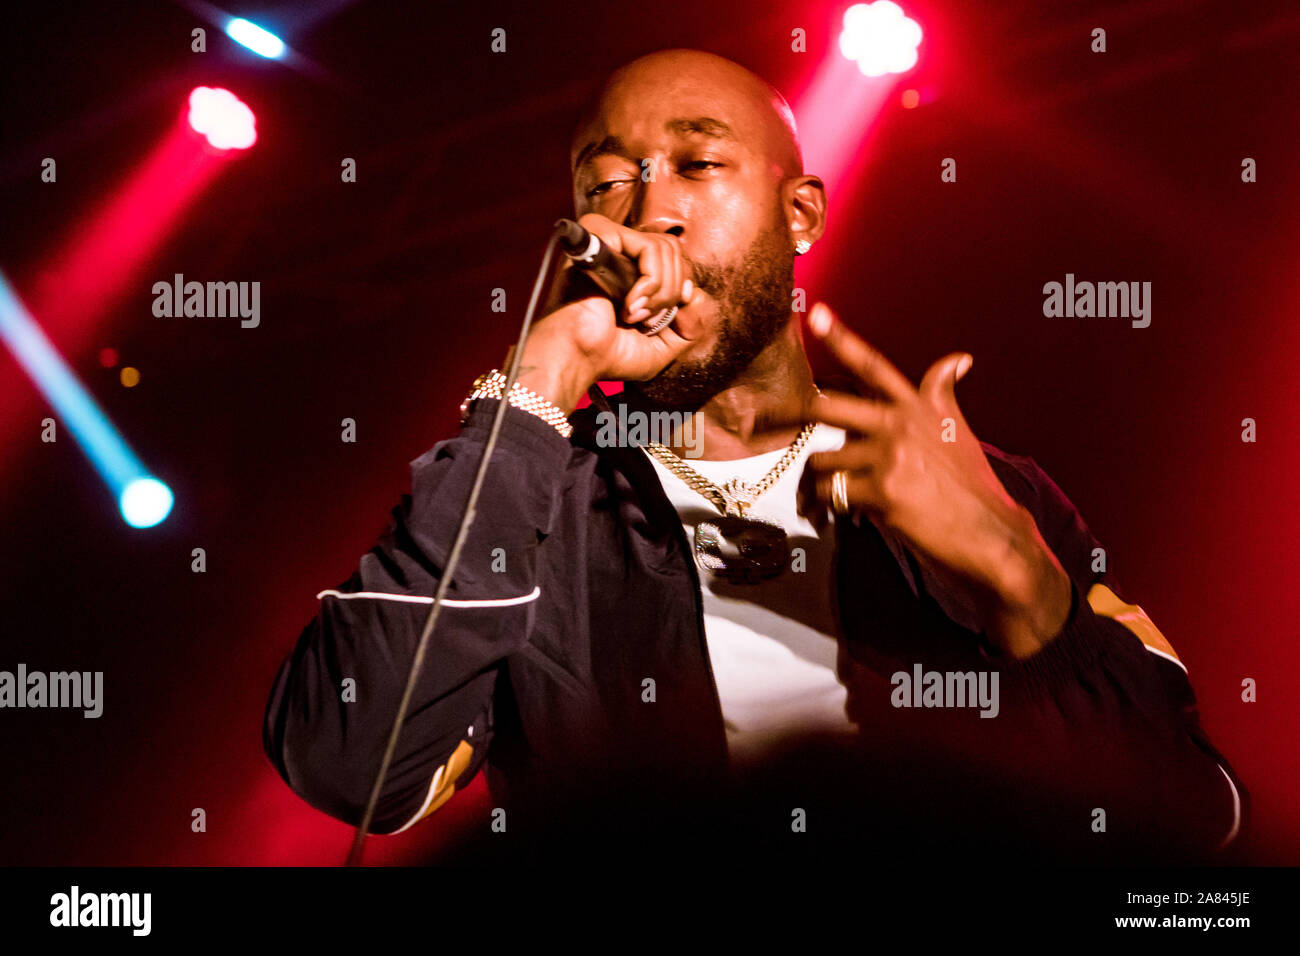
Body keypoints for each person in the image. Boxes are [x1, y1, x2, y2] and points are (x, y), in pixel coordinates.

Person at [263, 49, 1245, 864]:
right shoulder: (531, 504)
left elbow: (1194, 823)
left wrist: (1021, 580)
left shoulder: (983, 487)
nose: (649, 211)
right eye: (606, 183)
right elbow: (354, 761)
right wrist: (538, 382)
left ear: (800, 215)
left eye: (696, 164)